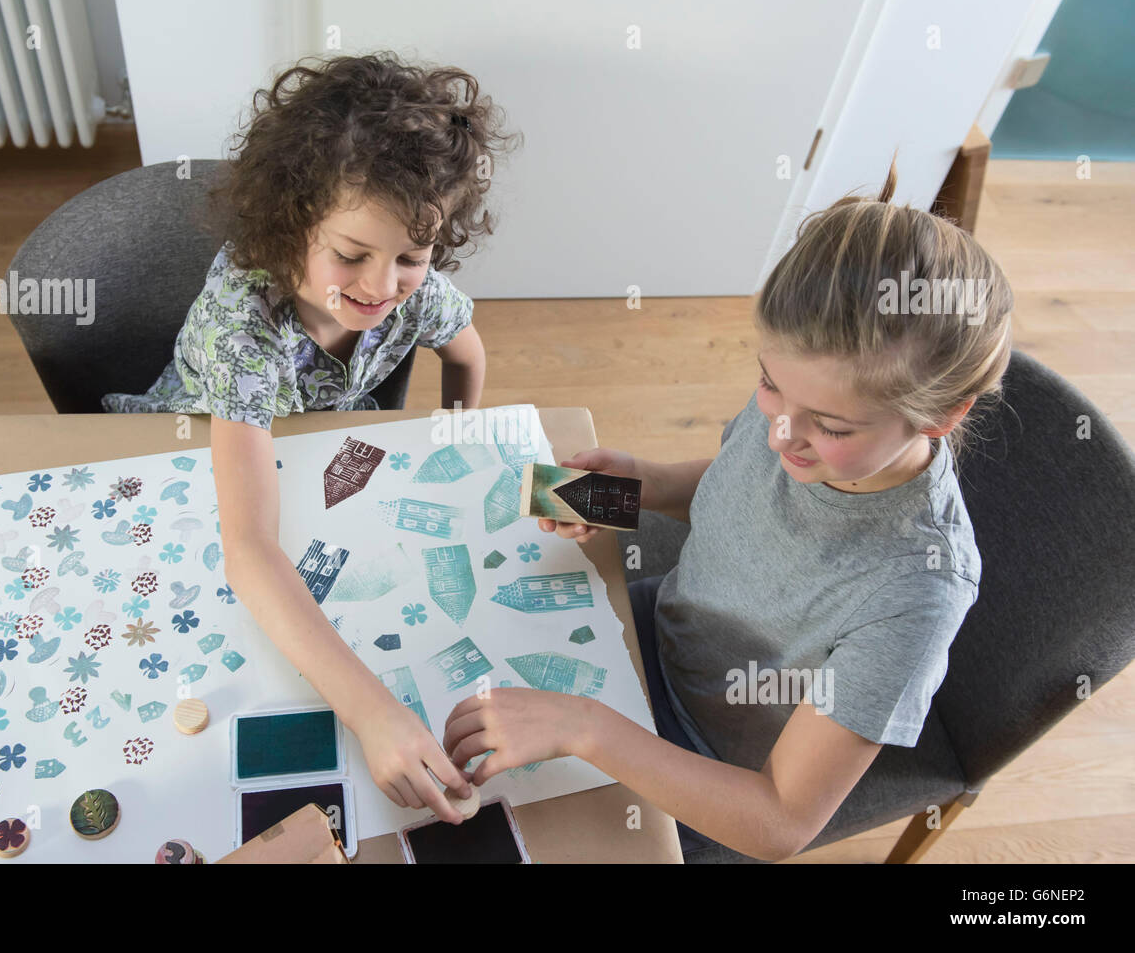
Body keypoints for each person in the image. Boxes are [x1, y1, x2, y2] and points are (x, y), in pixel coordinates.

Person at [443, 160, 1014, 860]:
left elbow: (779, 822)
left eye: (831, 428)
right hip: (653, 633)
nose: (782, 433)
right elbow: (740, 479)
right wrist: (641, 483)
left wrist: (584, 728)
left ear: (941, 416)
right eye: (768, 385)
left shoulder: (915, 592)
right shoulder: (803, 397)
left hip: (706, 767)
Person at [104, 52, 517, 822]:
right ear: (289, 226)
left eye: (412, 258)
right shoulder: (244, 327)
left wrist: (453, 442)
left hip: (314, 460)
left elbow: (466, 348)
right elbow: (250, 548)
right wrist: (370, 710)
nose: (380, 286)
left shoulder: (402, 286)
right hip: (198, 459)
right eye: (351, 256)